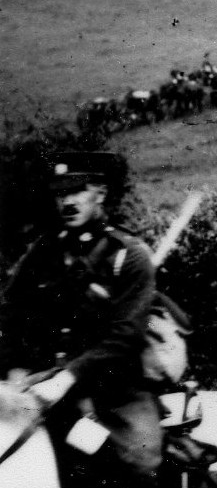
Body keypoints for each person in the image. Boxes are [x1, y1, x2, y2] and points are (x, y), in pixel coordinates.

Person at [0, 151, 162, 488]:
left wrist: (67, 378)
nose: (68, 201)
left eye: (77, 191)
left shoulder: (128, 255)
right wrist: (16, 371)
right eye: (60, 193)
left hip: (114, 392)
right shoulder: (43, 253)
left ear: (99, 194)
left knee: (141, 462)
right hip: (43, 384)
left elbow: (125, 336)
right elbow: (11, 315)